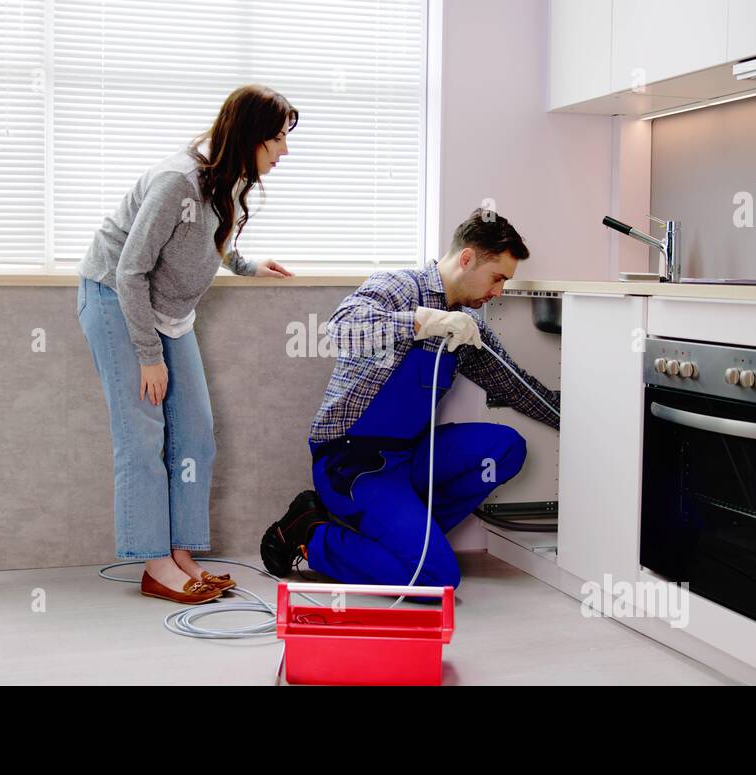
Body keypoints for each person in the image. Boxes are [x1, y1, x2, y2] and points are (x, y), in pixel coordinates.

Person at [261, 209, 561, 590]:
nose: (498, 291)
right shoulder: (401, 287)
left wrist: (575, 421)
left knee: (505, 448)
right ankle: (313, 534)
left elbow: (516, 387)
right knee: (438, 577)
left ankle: (410, 541)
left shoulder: (469, 326)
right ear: (467, 259)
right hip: (354, 462)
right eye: (497, 277)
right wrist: (424, 323)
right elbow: (340, 331)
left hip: (411, 456)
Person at [78, 85, 296, 604]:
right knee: (142, 434)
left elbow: (205, 239)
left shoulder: (224, 178)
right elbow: (130, 269)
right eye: (278, 139)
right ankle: (154, 564)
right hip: (116, 298)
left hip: (170, 313)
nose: (284, 150)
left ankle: (179, 552)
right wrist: (148, 357)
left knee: (195, 432)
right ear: (249, 137)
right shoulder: (177, 182)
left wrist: (246, 266)